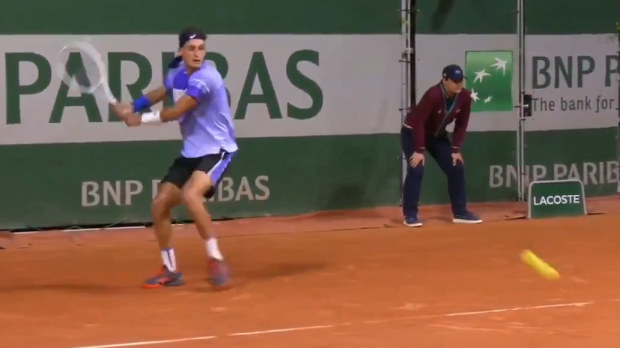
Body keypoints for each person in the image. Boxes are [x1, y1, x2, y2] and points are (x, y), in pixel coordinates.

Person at [112, 27, 237, 289]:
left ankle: (215, 258)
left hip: (218, 149)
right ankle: (170, 270)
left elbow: (178, 109)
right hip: (191, 151)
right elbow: (162, 91)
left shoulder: (208, 78)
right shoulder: (178, 71)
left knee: (192, 195)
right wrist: (133, 105)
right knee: (159, 204)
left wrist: (140, 119)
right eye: (191, 49)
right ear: (181, 51)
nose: (197, 54)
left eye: (201, 48)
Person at [400, 64, 482, 227]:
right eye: (455, 81)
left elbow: (462, 124)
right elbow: (419, 123)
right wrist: (418, 150)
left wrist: (456, 149)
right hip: (413, 132)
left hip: (437, 136)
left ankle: (460, 212)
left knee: (456, 166)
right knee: (417, 168)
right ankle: (410, 214)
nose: (459, 84)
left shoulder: (465, 97)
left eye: (461, 80)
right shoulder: (433, 95)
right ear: (445, 80)